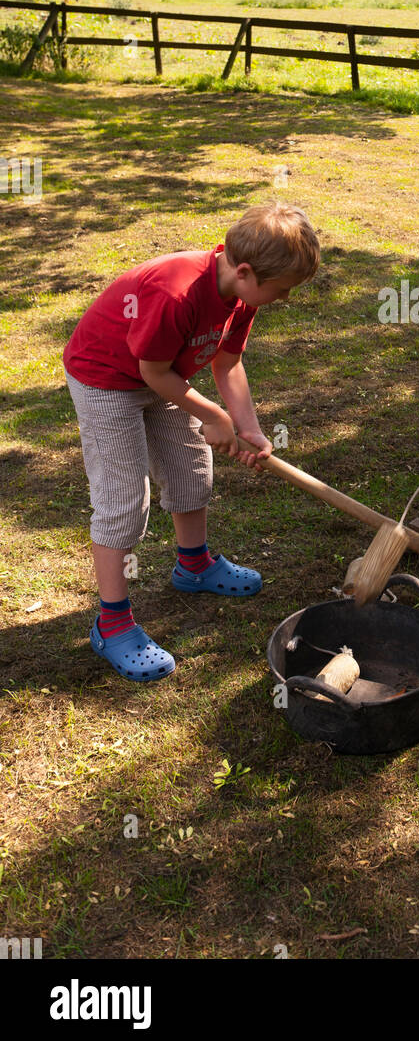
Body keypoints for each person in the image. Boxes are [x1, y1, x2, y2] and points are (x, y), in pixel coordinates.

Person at [63, 201, 320, 683]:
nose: (284, 298)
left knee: (192, 469)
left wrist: (248, 427)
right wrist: (213, 415)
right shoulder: (176, 292)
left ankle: (194, 566)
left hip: (164, 375)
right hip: (107, 379)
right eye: (281, 290)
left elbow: (227, 363)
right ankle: (111, 623)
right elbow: (151, 371)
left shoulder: (242, 295)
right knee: (122, 499)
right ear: (244, 270)